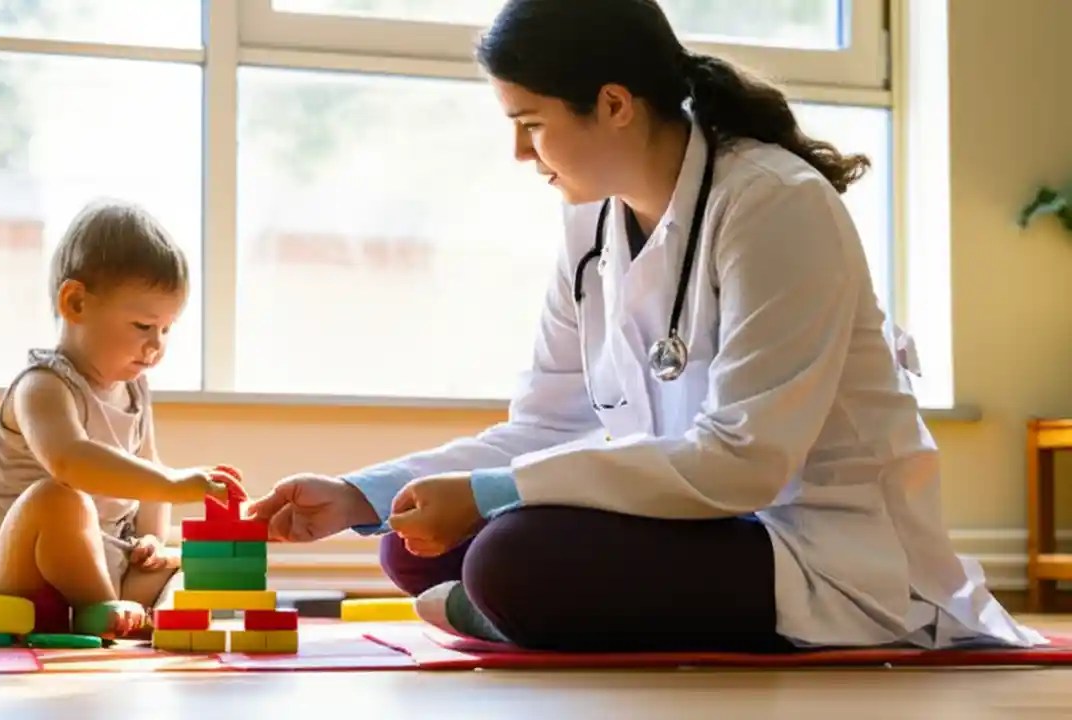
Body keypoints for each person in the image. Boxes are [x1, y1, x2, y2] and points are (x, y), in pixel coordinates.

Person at [248, 0, 1046, 653]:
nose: (520, 154)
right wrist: (363, 493)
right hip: (703, 525)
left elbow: (746, 465)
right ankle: (512, 603)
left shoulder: (775, 203)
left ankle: (517, 604)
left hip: (821, 547)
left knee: (509, 560)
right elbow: (545, 428)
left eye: (529, 124)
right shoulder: (590, 226)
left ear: (615, 105)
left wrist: (493, 497)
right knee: (410, 538)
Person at [0, 200, 241, 638]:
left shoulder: (135, 391)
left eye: (167, 329)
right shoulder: (43, 386)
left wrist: (152, 540)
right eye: (143, 325)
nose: (157, 345)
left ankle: (162, 619)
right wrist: (172, 483)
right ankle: (104, 607)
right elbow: (70, 460)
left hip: (110, 554)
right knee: (58, 497)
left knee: (193, 562)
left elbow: (148, 467)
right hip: (18, 568)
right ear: (75, 303)